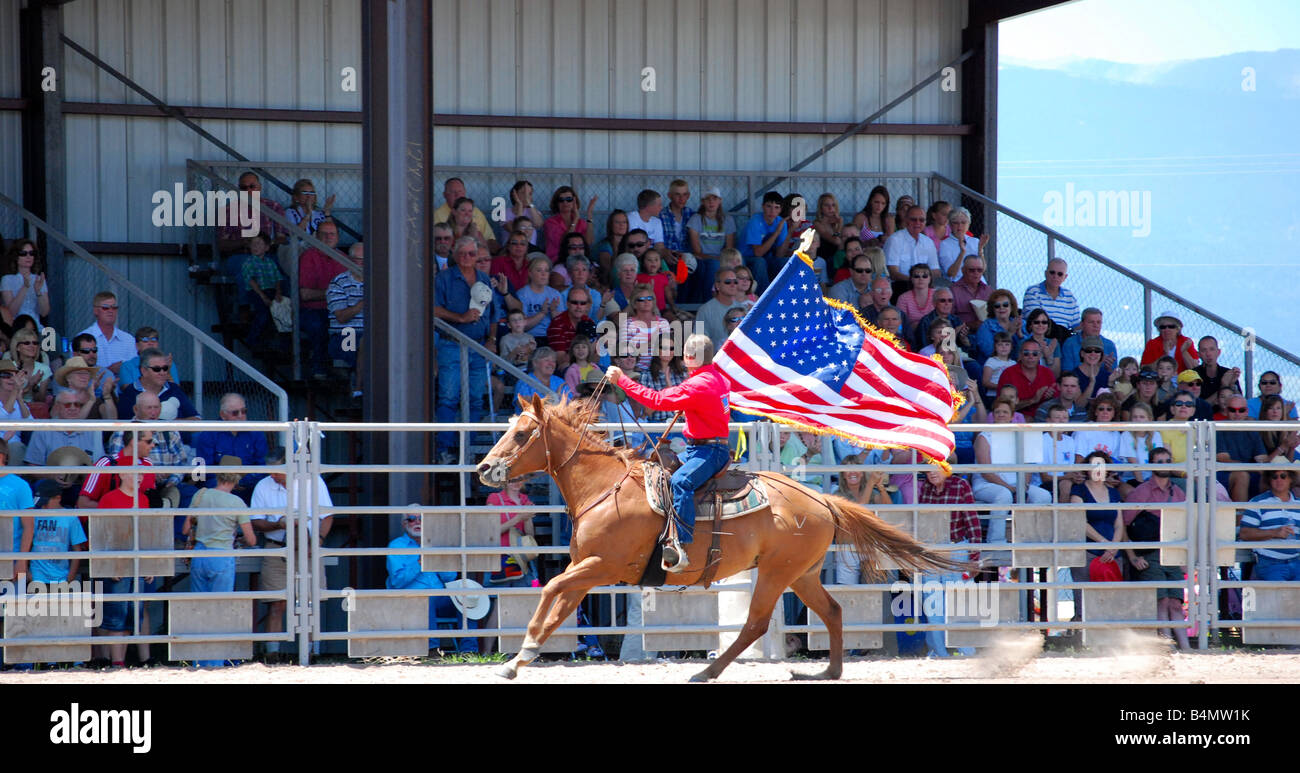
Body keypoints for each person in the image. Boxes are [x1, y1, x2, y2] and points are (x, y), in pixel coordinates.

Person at [607, 334, 729, 572]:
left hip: (707, 450)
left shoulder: (698, 385)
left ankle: (680, 543)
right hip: (706, 447)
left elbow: (656, 400)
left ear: (689, 357)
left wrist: (622, 380)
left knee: (681, 482)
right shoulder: (715, 379)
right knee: (658, 473)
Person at [249, 446, 333, 662]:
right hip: (276, 546)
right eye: (271, 471)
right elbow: (256, 521)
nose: (273, 475)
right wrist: (278, 524)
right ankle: (272, 653)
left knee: (311, 601)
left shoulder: (313, 482)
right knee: (276, 602)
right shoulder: (263, 485)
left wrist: (318, 542)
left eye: (277, 471)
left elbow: (328, 515)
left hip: (309, 546)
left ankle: (313, 652)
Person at [182, 460, 256, 667]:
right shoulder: (237, 504)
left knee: (200, 609)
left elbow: (186, 528)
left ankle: (199, 660)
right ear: (237, 478)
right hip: (222, 556)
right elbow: (251, 539)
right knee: (220, 610)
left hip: (199, 556)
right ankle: (215, 662)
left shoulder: (201, 495)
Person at [95, 429, 158, 668]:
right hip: (118, 562)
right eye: (136, 473)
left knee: (133, 613)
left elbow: (145, 534)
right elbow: (102, 534)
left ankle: (122, 661)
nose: (141, 477)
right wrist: (110, 564)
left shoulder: (143, 499)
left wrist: (148, 562)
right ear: (122, 474)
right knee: (115, 615)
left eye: (142, 473)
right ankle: (117, 662)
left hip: (136, 562)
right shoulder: (109, 499)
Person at [385, 508, 479, 653]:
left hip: (439, 597)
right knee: (426, 599)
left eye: (421, 519)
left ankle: (469, 651)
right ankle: (432, 649)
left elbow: (451, 578)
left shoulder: (435, 544)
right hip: (410, 599)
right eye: (411, 519)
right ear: (404, 524)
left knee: (467, 598)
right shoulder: (396, 546)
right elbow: (397, 582)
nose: (417, 522)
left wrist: (437, 560)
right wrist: (419, 563)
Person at [971, 397, 1053, 562]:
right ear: (993, 415)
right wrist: (1011, 488)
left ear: (1012, 415)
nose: (1001, 415)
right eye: (997, 412)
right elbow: (986, 473)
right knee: (1003, 495)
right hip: (986, 485)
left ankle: (1029, 539)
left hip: (1015, 484)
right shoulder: (984, 437)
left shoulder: (1020, 435)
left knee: (1043, 496)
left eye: (1005, 412)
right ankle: (996, 542)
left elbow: (1028, 466)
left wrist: (1024, 486)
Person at [1122, 447, 1187, 648]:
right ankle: (1169, 645)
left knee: (1176, 602)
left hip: (1172, 553)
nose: (1164, 465)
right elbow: (1122, 526)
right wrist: (1133, 557)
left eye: (1167, 461)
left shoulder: (1178, 492)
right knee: (1162, 600)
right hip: (1149, 553)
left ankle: (1185, 647)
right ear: (1151, 464)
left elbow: (1185, 526)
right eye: (1159, 462)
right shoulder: (1141, 492)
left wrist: (1184, 558)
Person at [916, 464, 982, 658]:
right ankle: (939, 651)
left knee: (959, 601)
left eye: (936, 468)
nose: (932, 473)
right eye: (928, 469)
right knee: (933, 602)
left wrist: (974, 557)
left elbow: (972, 521)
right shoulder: (925, 488)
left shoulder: (960, 485)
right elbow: (922, 522)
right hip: (933, 548)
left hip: (956, 548)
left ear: (946, 468)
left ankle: (966, 651)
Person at [1068, 450, 1128, 621]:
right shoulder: (1078, 491)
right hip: (1087, 551)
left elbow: (1118, 523)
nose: (1097, 469)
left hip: (1112, 553)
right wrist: (1103, 543)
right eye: (1093, 466)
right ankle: (1083, 640)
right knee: (1084, 602)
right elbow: (1079, 521)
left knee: (1111, 599)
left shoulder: (1113, 493)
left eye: (1101, 466)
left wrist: (1114, 547)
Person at [192, 393, 268, 503]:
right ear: (223, 415)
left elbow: (262, 466)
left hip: (248, 484)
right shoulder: (208, 434)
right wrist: (229, 482)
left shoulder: (256, 433)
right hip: (218, 484)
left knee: (265, 486)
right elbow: (202, 470)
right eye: (235, 413)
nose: (241, 415)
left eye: (244, 411)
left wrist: (240, 481)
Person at [297, 220, 348, 378]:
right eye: (323, 234)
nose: (328, 237)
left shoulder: (344, 258)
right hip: (314, 309)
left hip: (338, 309)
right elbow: (305, 294)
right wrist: (334, 293)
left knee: (353, 327)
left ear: (338, 238)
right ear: (316, 237)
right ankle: (319, 368)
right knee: (319, 326)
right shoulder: (309, 257)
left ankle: (347, 365)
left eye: (332, 234)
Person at [1239, 462, 1300, 582]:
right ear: (1269, 480)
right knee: (1278, 598)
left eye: (1283, 476)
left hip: (1297, 562)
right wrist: (1274, 532)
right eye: (1274, 476)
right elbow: (1244, 534)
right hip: (1270, 564)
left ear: (1290, 480)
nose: (1278, 480)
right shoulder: (1257, 503)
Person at [22, 478, 88, 585]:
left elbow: (77, 549)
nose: (42, 507)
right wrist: (28, 573)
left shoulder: (70, 517)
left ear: (58, 498)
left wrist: (70, 576)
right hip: (36, 575)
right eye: (40, 503)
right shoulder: (34, 516)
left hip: (61, 576)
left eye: (45, 503)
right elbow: (26, 544)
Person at [23, 389, 105, 465]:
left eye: (77, 404)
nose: (73, 408)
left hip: (86, 478)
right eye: (67, 405)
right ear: (57, 407)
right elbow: (33, 465)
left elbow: (101, 464)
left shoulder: (94, 431)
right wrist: (52, 476)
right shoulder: (43, 430)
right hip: (51, 479)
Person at [116, 348, 200, 422]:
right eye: (157, 369)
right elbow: (126, 427)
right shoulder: (131, 392)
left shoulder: (174, 389)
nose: (162, 373)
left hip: (176, 439)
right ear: (143, 371)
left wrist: (170, 423)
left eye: (165, 368)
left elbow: (196, 419)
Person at [327, 243, 366, 396]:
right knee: (364, 341)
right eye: (357, 260)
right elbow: (341, 317)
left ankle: (359, 387)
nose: (361, 264)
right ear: (349, 260)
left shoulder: (377, 281)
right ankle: (358, 387)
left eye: (365, 260)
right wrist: (363, 304)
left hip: (372, 334)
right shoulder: (338, 283)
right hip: (344, 334)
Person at [1216, 394, 1269, 503]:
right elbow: (1223, 459)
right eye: (1232, 410)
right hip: (1222, 473)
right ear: (1226, 411)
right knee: (1242, 475)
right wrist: (1253, 468)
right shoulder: (1218, 428)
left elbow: (1262, 459)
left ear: (1247, 411)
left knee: (1274, 476)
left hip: (1247, 470)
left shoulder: (1251, 430)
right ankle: (1240, 519)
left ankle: (1269, 516)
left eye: (1241, 410)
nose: (1237, 414)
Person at [684, 187, 734, 302]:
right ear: (703, 201)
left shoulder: (728, 220)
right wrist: (716, 258)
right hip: (703, 258)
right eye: (708, 199)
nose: (711, 202)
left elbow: (729, 248)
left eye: (715, 198)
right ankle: (710, 302)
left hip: (723, 258)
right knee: (713, 264)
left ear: (720, 200)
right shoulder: (696, 219)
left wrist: (722, 259)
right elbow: (697, 251)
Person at [239, 232, 288, 349]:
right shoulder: (248, 262)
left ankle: (282, 343)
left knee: (281, 315)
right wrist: (263, 297)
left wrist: (278, 292)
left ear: (267, 247)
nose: (255, 247)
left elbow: (277, 279)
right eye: (253, 244)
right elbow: (251, 281)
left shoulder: (270, 262)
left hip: (271, 291)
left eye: (259, 244)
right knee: (263, 314)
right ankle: (252, 339)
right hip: (256, 292)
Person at [738, 191, 791, 292]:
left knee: (785, 262)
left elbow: (780, 254)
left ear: (781, 210)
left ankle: (784, 298)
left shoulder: (781, 222)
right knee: (760, 262)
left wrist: (790, 230)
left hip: (767, 258)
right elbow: (758, 253)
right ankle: (763, 299)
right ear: (762, 207)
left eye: (776, 207)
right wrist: (777, 233)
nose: (772, 211)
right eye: (769, 206)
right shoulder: (755, 221)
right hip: (747, 258)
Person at [883, 205, 939, 300]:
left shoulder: (928, 242)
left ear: (925, 222)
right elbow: (892, 273)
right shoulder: (895, 240)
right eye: (913, 219)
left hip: (924, 288)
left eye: (921, 220)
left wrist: (921, 283)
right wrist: (915, 281)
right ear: (906, 220)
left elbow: (936, 272)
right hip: (900, 288)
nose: (917, 223)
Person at [77, 291, 136, 374]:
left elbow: (135, 371)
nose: (110, 311)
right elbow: (76, 372)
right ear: (95, 311)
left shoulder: (129, 340)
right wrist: (109, 371)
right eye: (105, 307)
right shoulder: (81, 339)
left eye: (114, 307)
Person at [1020, 258, 1080, 340]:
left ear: (1065, 277)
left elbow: (1076, 327)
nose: (1055, 276)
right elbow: (1036, 322)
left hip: (1064, 343)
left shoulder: (1070, 297)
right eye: (1052, 272)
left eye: (1060, 274)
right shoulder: (1033, 292)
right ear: (1046, 273)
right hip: (1038, 340)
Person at [998, 339, 1057, 417]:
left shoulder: (1047, 373)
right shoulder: (1008, 373)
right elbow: (1001, 407)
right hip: (1015, 421)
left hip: (1043, 420)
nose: (1030, 357)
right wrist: (1032, 400)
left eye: (1035, 354)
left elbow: (1057, 404)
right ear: (1020, 355)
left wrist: (1050, 397)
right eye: (1026, 353)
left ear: (1040, 356)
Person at [623, 283, 672, 372]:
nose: (646, 302)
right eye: (641, 299)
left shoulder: (663, 323)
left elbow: (667, 349)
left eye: (649, 298)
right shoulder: (628, 324)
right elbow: (625, 351)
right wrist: (650, 344)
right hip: (636, 370)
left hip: (660, 369)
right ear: (634, 304)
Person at [545, 286, 597, 369]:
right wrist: (580, 338)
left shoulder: (589, 322)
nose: (578, 306)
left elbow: (595, 358)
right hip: (566, 369)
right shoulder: (557, 324)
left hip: (587, 366)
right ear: (567, 304)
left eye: (582, 303)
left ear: (587, 306)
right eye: (574, 302)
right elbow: (561, 361)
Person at [1, 238, 51, 324]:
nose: (28, 257)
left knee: (54, 336)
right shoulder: (7, 279)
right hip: (15, 328)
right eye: (23, 253)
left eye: (32, 253)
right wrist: (24, 287)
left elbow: (44, 313)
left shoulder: (38, 279)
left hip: (35, 327)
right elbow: (11, 312)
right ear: (16, 256)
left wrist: (38, 292)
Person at [117, 327, 181, 388]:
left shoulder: (167, 363)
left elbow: (176, 389)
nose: (150, 343)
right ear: (137, 346)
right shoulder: (127, 366)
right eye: (145, 340)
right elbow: (127, 389)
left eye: (153, 340)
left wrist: (168, 373)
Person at [1059, 308, 1119, 373]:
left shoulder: (1109, 345)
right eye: (1091, 322)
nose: (1096, 326)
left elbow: (1113, 374)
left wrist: (1108, 368)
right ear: (1082, 324)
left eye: (1098, 322)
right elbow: (1066, 372)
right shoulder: (1070, 343)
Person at [937, 207, 986, 285]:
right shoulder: (945, 244)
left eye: (963, 222)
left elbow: (982, 269)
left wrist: (980, 250)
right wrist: (962, 252)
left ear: (968, 224)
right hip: (958, 284)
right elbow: (951, 274)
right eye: (955, 223)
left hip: (978, 283)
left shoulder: (974, 241)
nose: (959, 226)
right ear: (950, 225)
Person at [543, 185, 594, 259]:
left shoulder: (581, 222)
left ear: (574, 201)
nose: (565, 202)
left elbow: (588, 242)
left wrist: (589, 215)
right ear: (556, 203)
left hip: (579, 261)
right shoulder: (550, 222)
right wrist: (575, 220)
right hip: (557, 261)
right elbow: (564, 243)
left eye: (569, 199)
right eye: (561, 200)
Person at [7, 327, 52, 410]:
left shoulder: (44, 369)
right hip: (13, 408)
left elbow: (41, 400)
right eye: (27, 343)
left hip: (35, 410)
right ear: (17, 347)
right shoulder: (9, 368)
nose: (32, 346)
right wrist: (29, 385)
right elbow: (7, 399)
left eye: (35, 343)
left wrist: (34, 386)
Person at [974, 289, 1024, 362]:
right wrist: (1009, 333)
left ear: (1011, 307)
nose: (1002, 308)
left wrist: (1020, 335)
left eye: (1005, 305)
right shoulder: (986, 326)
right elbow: (989, 352)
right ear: (992, 309)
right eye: (997, 306)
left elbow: (1030, 350)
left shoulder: (1020, 322)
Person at [1072, 393, 1125, 461]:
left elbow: (1115, 461)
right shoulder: (1084, 430)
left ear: (1114, 413)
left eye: (1109, 409)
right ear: (1095, 412)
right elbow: (1079, 460)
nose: (1105, 412)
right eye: (1101, 409)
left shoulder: (1116, 434)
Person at [1070, 334, 1118, 399]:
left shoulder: (1107, 376)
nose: (1093, 354)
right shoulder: (1073, 376)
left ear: (1101, 355)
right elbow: (1079, 406)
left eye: (1097, 351)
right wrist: (1092, 383)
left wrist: (1111, 383)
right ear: (1082, 353)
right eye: (1089, 350)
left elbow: (1112, 404)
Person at [1257, 394, 1300, 462]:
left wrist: (1292, 447)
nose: (1275, 411)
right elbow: (1264, 463)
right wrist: (1283, 446)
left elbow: (1288, 462)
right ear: (1265, 411)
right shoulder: (1259, 432)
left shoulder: (1284, 431)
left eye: (1278, 408)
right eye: (1271, 408)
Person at [1023, 308, 1062, 377]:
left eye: (1044, 322)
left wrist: (1048, 358)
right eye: (1036, 322)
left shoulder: (1054, 343)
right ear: (1030, 325)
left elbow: (1056, 375)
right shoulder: (1023, 343)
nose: (1040, 325)